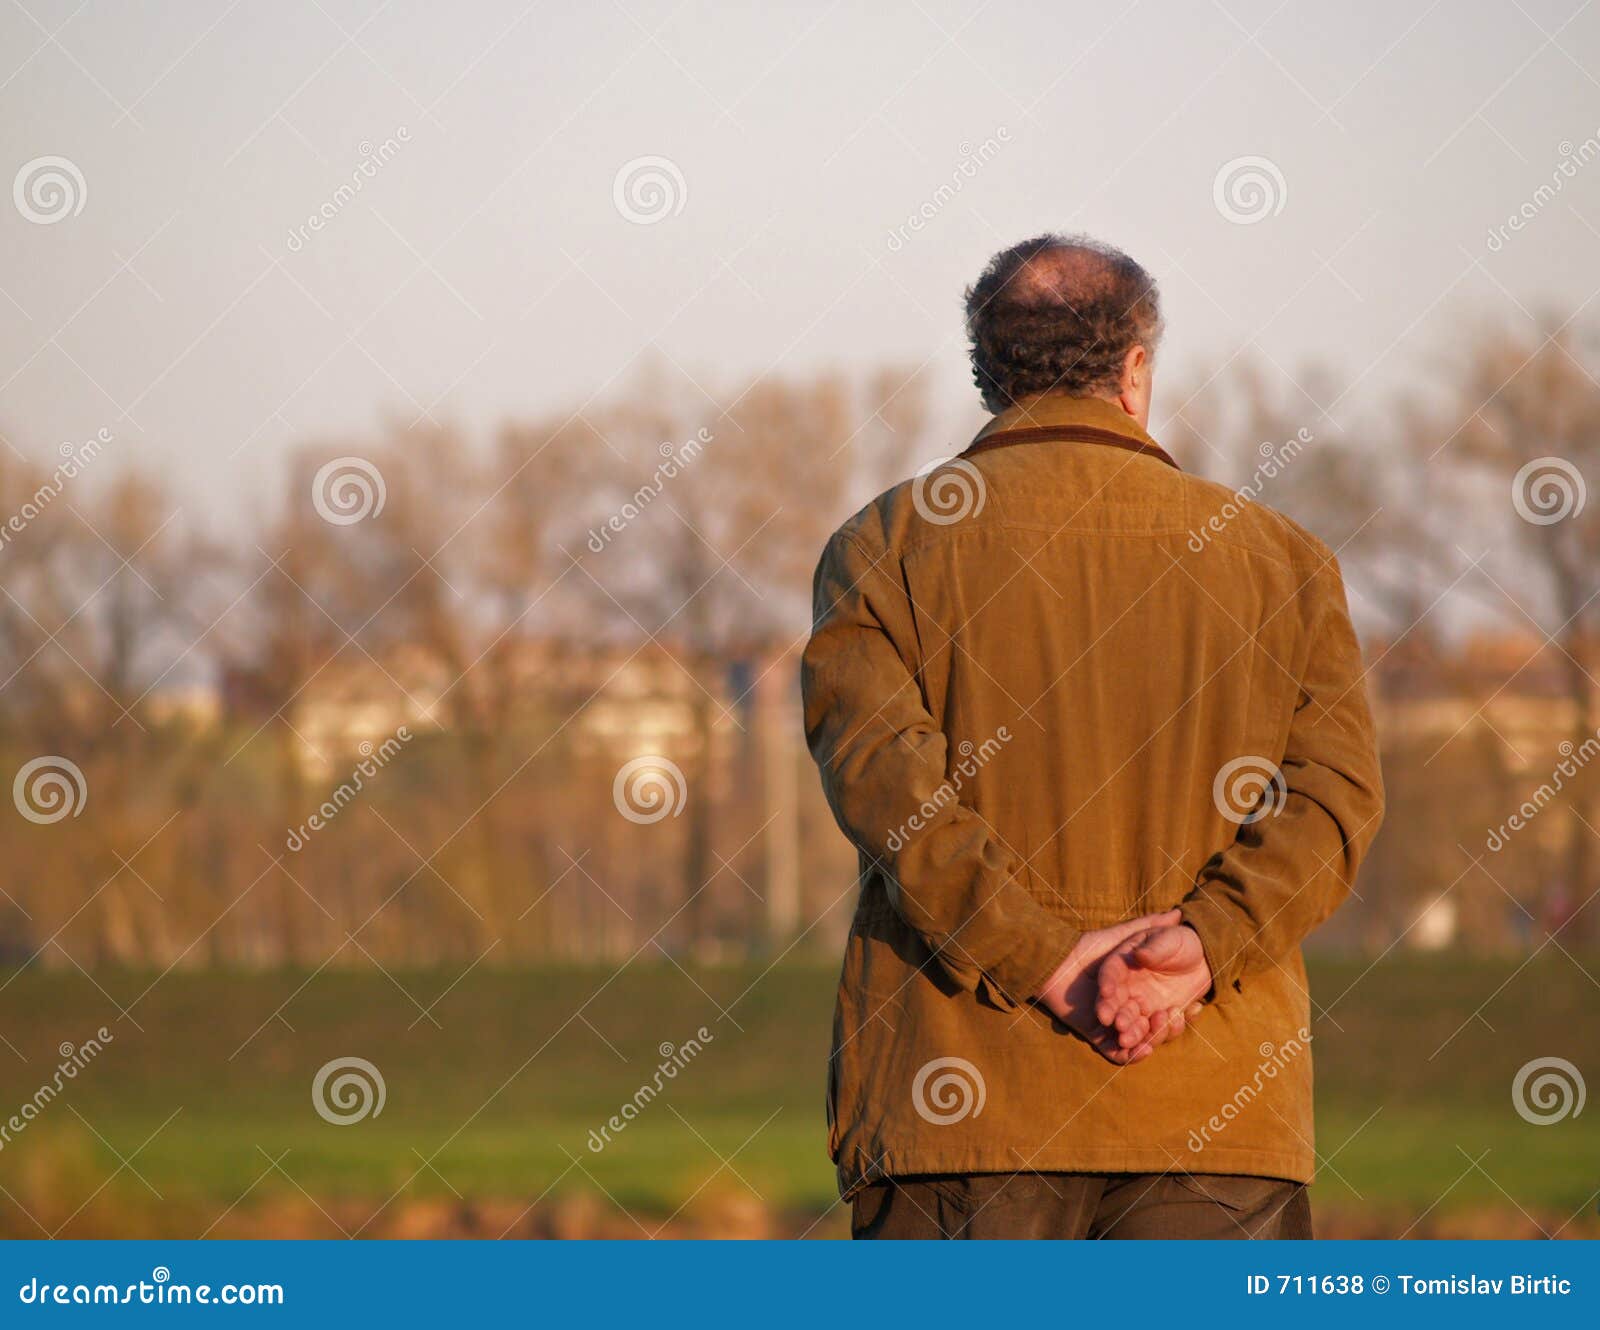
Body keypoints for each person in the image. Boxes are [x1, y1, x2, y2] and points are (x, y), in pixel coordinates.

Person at [800, 234, 1384, 1239]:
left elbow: (889, 790)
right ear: (1135, 369)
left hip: (965, 1117)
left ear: (990, 373)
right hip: (1215, 1116)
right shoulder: (1281, 562)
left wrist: (1045, 961)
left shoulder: (881, 549)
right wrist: (1201, 946)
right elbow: (1333, 800)